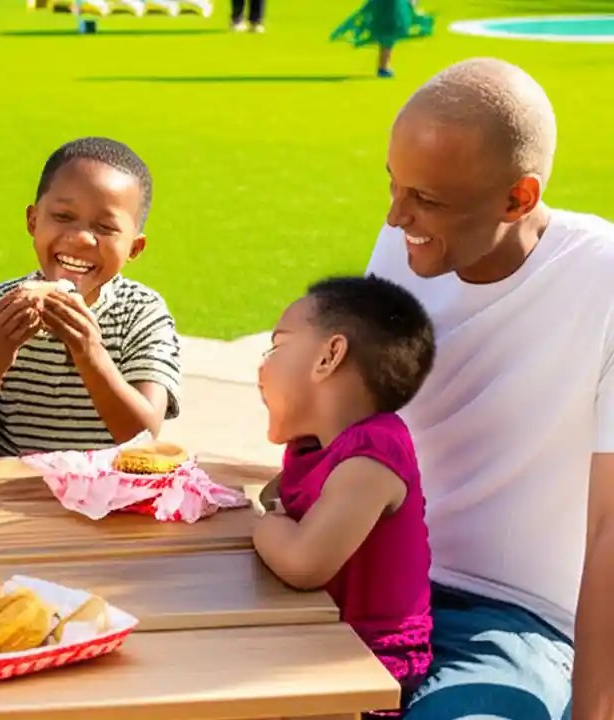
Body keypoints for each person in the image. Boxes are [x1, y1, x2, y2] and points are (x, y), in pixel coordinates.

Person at [366, 57, 614, 718]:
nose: (396, 217)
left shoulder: (602, 279)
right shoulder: (404, 245)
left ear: (519, 197)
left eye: (427, 199)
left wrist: (594, 709)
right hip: (371, 579)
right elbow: (356, 418)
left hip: (512, 620)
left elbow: (610, 525)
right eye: (393, 185)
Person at [0, 137, 182, 460]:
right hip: (9, 498)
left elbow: (144, 439)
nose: (79, 238)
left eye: (105, 227)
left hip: (109, 502)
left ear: (134, 247)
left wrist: (90, 354)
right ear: (33, 222)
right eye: (63, 217)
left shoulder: (142, 315)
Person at [254, 276, 435, 714]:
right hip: (314, 642)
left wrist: (267, 524)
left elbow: (303, 563)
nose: (261, 368)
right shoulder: (313, 447)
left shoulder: (374, 452)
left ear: (328, 357)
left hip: (366, 672)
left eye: (276, 347)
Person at [330, 0, 434, 78]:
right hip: (390, 7)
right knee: (389, 32)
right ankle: (383, 67)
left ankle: (383, 66)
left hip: (391, 6)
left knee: (390, 33)